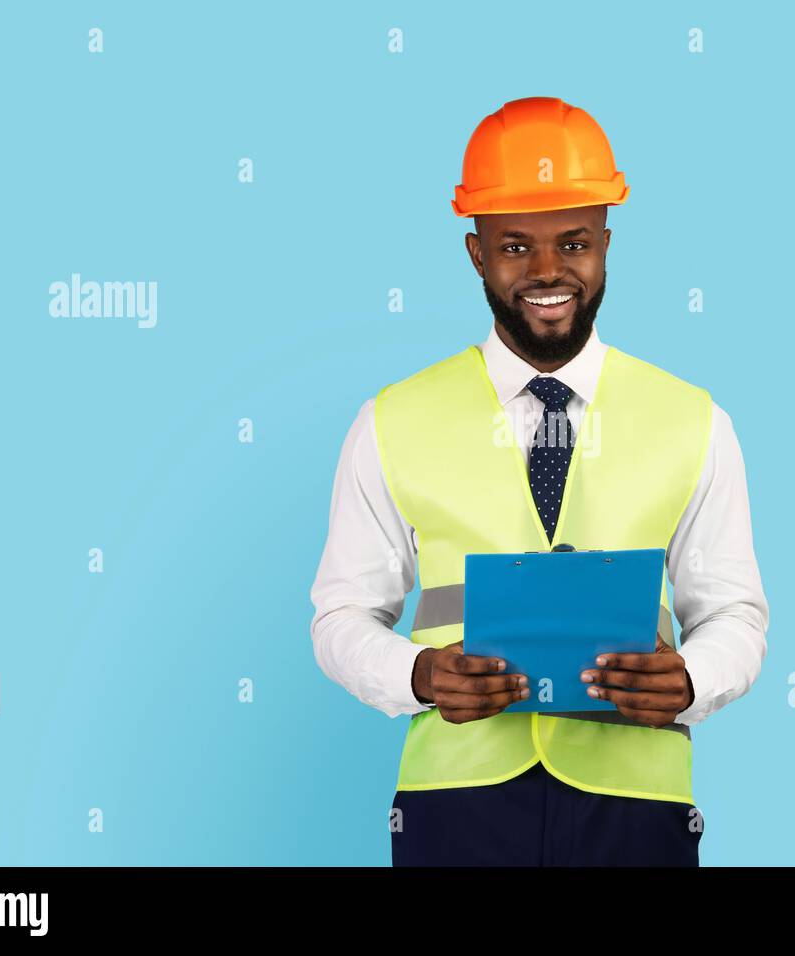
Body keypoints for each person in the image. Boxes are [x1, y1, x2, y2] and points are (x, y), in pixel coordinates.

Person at [309, 96, 769, 866]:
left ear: (607, 246)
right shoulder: (391, 419)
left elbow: (736, 615)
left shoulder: (696, 420)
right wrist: (417, 674)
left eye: (576, 242)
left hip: (636, 801)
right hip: (456, 802)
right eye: (516, 244)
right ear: (476, 253)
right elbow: (341, 616)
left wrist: (691, 680)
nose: (549, 271)